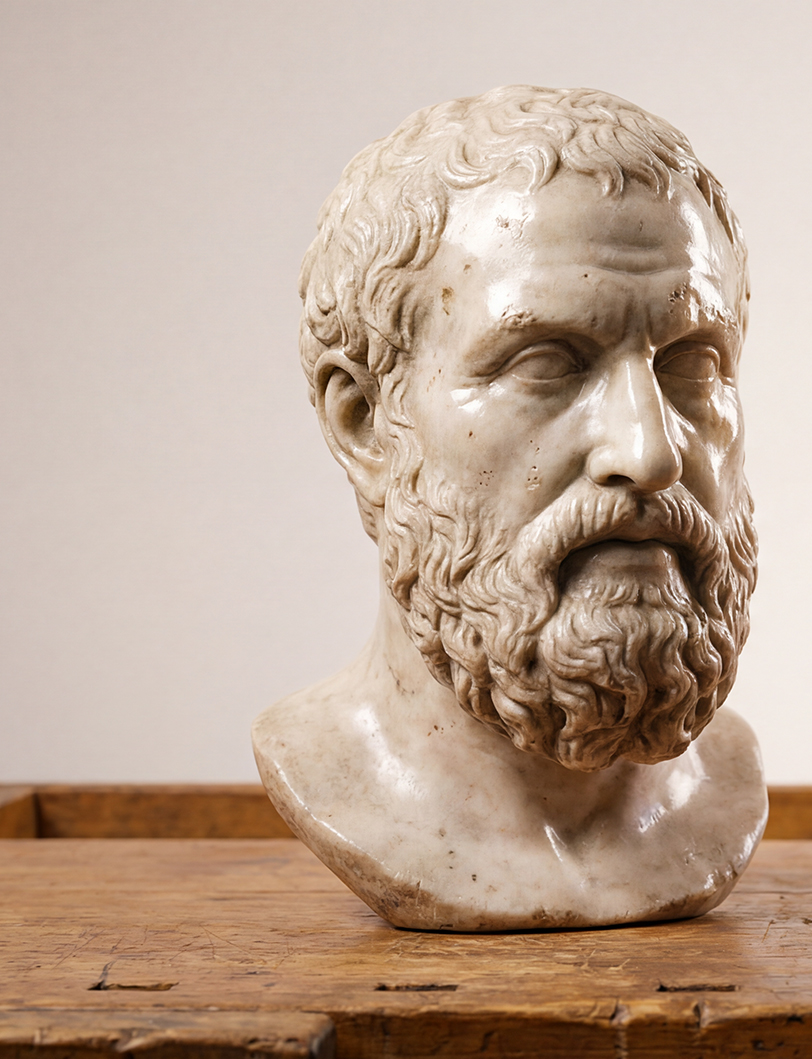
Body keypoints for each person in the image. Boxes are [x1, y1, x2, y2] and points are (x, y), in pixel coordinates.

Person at [252, 85, 766, 931]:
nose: (649, 452)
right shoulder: (332, 778)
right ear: (365, 422)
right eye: (546, 364)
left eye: (692, 365)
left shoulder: (724, 790)